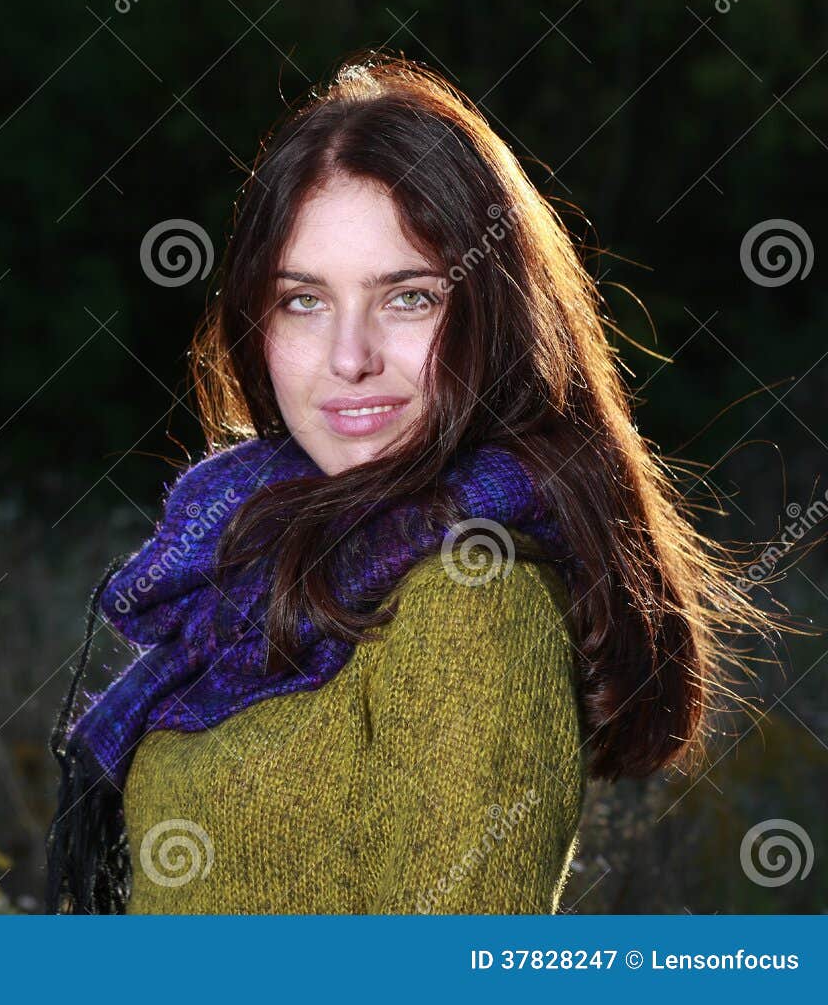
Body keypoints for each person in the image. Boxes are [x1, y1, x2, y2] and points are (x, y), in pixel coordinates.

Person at [44, 52, 791, 914]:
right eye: (303, 300)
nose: (351, 357)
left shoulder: (470, 600)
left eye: (408, 297)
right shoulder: (251, 558)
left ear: (492, 313)